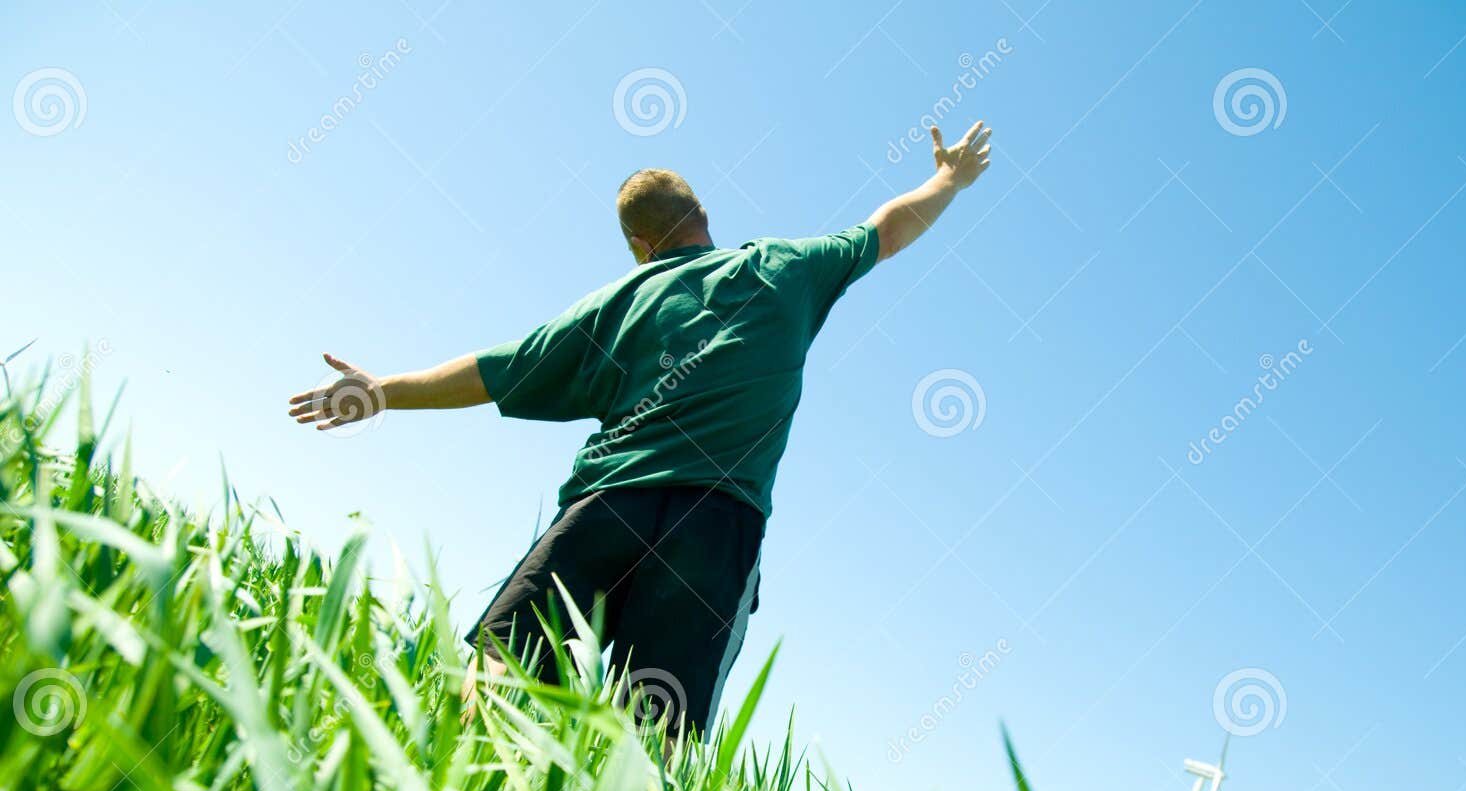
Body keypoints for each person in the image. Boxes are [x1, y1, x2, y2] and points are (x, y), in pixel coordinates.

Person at [288, 121, 993, 735]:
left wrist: (381, 392)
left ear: (639, 244)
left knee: (503, 673)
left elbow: (497, 369)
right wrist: (948, 180)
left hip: (608, 505)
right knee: (658, 731)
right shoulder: (786, 267)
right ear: (703, 215)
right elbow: (889, 228)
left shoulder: (621, 299)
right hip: (715, 526)